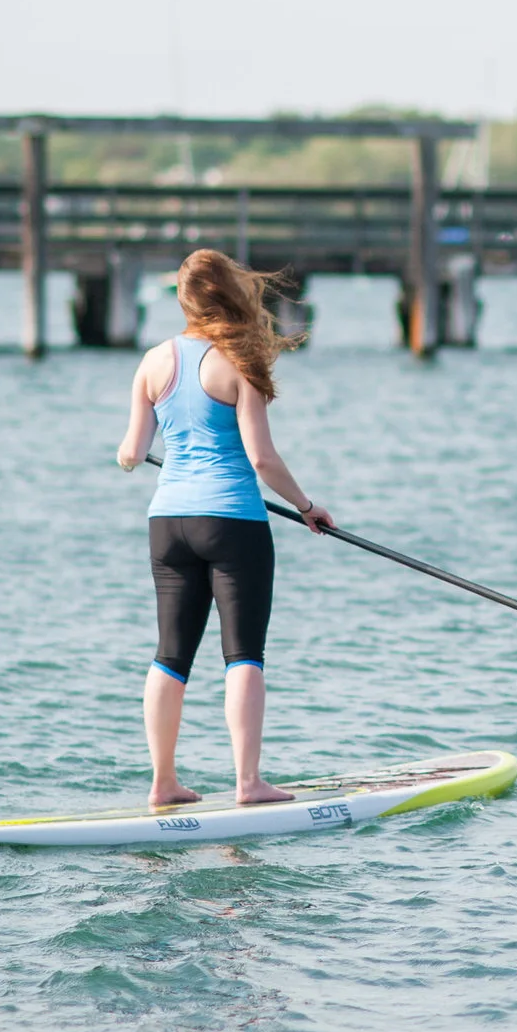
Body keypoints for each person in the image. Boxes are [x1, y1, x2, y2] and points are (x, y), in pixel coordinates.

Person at [116, 249, 330, 808]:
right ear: (229, 294)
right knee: (243, 655)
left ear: (183, 299)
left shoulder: (153, 361)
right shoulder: (238, 361)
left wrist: (127, 457)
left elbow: (133, 452)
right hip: (232, 521)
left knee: (170, 654)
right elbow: (261, 459)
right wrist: (307, 506)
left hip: (168, 523)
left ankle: (163, 782)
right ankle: (248, 783)